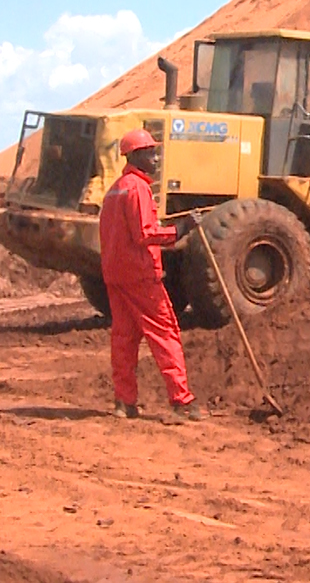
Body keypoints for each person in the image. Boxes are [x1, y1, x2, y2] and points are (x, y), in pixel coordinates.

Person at [99, 128, 206, 422]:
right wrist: (182, 229)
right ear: (136, 156)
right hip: (140, 275)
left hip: (116, 275)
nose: (157, 158)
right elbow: (146, 233)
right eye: (151, 153)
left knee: (124, 338)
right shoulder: (137, 189)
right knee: (165, 333)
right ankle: (181, 401)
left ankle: (124, 402)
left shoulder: (116, 189)